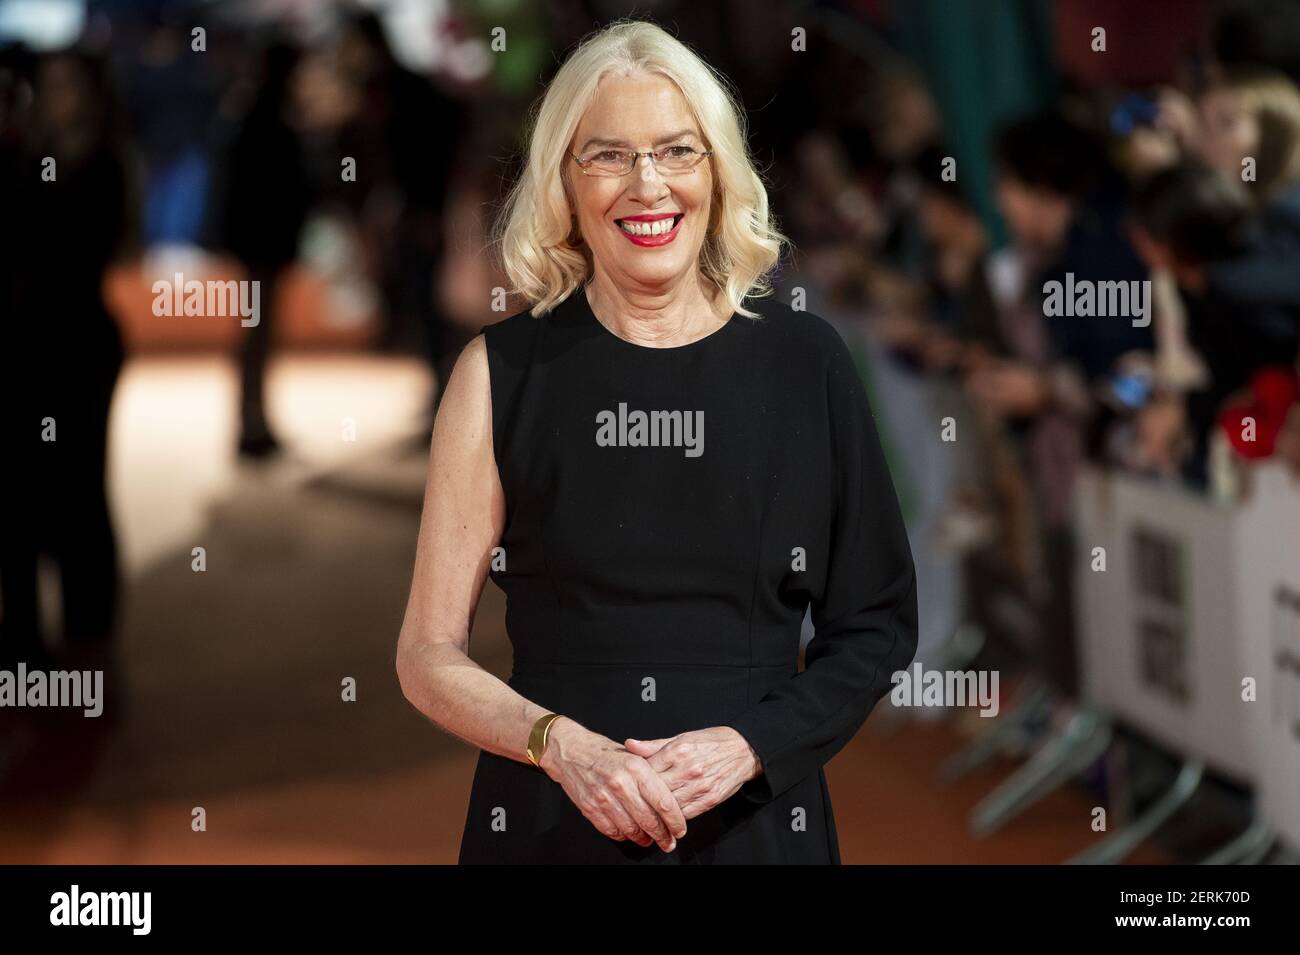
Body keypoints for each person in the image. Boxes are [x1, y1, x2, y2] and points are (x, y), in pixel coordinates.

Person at [395, 19, 918, 865]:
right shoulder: (498, 373)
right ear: (564, 182)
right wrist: (560, 745)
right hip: (553, 816)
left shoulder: (805, 363)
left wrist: (749, 745)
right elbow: (426, 654)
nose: (648, 185)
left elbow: (875, 624)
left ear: (717, 170)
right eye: (608, 155)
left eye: (677, 151)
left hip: (753, 822)